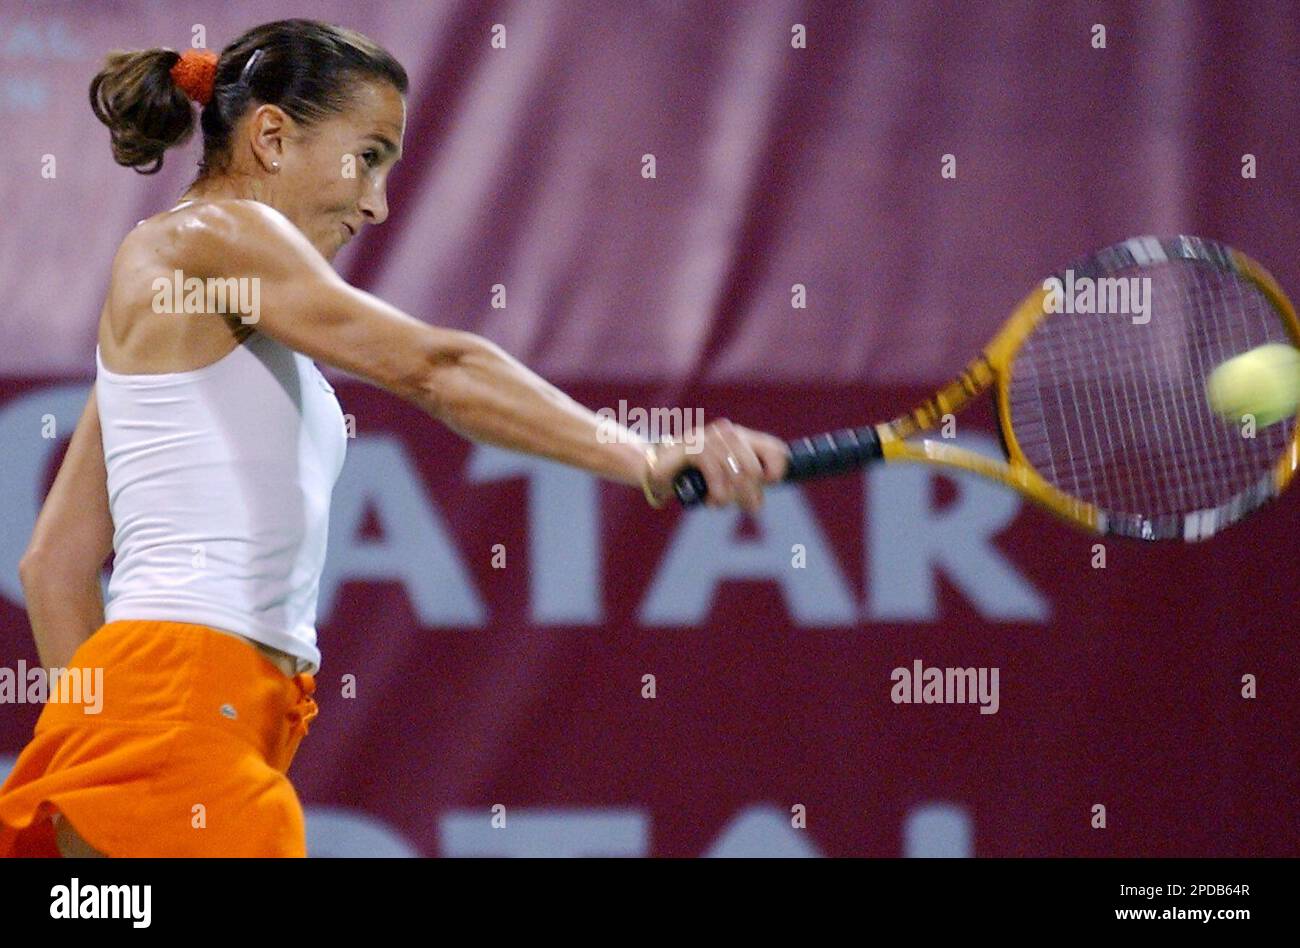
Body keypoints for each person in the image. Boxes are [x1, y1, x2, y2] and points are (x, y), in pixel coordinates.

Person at [0, 18, 788, 857]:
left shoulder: (175, 287)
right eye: (367, 155)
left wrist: (105, 739)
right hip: (180, 717)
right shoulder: (216, 236)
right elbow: (436, 367)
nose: (376, 201)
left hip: (164, 719)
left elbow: (53, 565)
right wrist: (647, 456)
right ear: (271, 136)